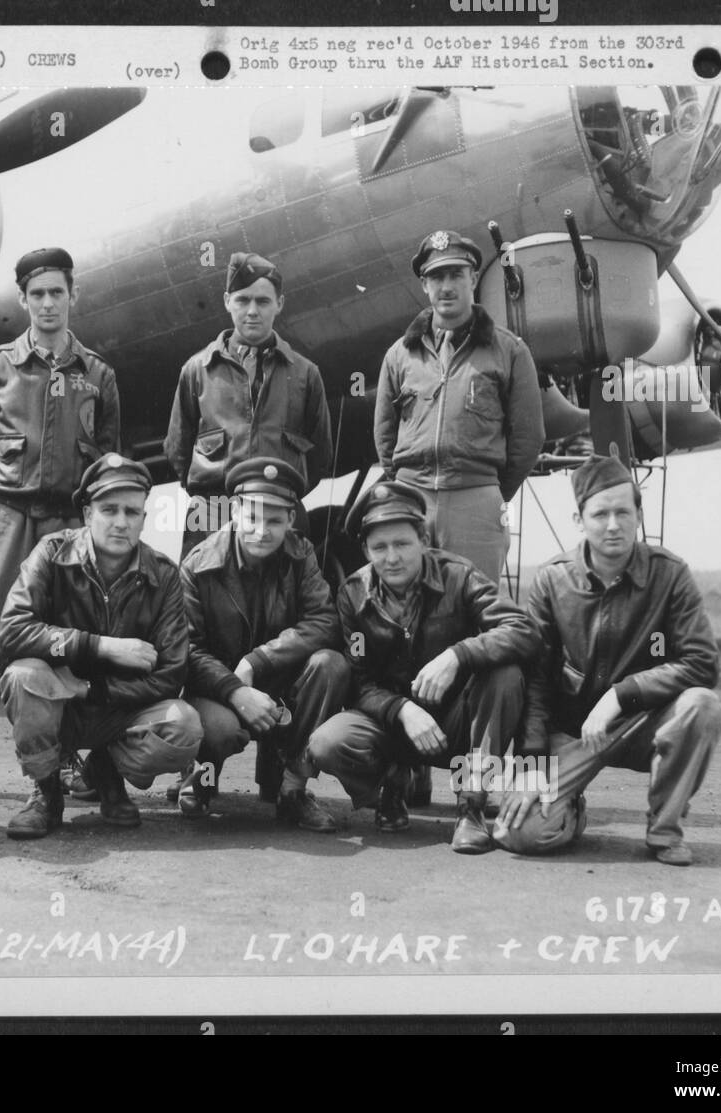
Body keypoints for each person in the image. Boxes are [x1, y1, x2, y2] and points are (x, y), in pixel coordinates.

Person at [0, 247, 120, 805]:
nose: (48, 303)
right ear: (23, 300)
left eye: (57, 293)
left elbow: (107, 460)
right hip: (7, 519)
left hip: (68, 525)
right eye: (38, 294)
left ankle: (62, 757)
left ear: (74, 296)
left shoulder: (98, 374)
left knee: (62, 639)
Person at [492, 456, 721, 866]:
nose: (613, 525)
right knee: (518, 833)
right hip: (572, 731)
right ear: (579, 520)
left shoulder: (670, 575)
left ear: (638, 516)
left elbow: (702, 662)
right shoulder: (552, 579)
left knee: (701, 705)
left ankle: (664, 829)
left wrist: (621, 694)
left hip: (641, 722)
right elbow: (537, 678)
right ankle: (570, 808)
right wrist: (530, 762)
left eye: (623, 512)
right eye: (600, 514)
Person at [305, 481, 540, 846]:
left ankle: (471, 805)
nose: (392, 557)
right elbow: (359, 680)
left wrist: (458, 654)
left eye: (402, 543)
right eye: (379, 547)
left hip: (455, 722)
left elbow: (522, 629)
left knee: (505, 674)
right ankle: (391, 782)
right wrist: (401, 710)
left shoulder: (459, 576)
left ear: (424, 540)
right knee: (328, 743)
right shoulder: (353, 595)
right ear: (365, 550)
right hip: (393, 724)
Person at [0, 454, 203, 839]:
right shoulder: (51, 554)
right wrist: (99, 647)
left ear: (144, 518)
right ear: (88, 514)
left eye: (132, 511)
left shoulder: (163, 575)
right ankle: (46, 790)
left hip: (120, 709)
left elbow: (172, 674)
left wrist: (93, 689)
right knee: (22, 675)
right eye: (109, 510)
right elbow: (11, 631)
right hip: (59, 704)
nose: (121, 522)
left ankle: (105, 769)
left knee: (184, 726)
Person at [178, 457, 350, 829]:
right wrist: (235, 690)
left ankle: (292, 788)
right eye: (253, 517)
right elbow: (187, 649)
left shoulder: (301, 555)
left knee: (330, 664)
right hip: (219, 691)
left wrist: (256, 662)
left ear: (290, 520)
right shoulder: (198, 565)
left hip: (279, 684)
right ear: (234, 512)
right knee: (220, 729)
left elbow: (325, 622)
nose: (262, 531)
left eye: (274, 521)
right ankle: (203, 774)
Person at [373, 229, 544, 583]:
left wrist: (489, 492)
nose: (446, 286)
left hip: (476, 501)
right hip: (411, 499)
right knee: (406, 602)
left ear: (474, 279)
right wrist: (405, 485)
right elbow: (384, 434)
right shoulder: (399, 355)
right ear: (424, 284)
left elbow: (529, 438)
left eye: (456, 275)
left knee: (476, 605)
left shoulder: (510, 351)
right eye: (436, 277)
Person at [164, 251, 333, 555]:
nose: (252, 311)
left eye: (263, 301)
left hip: (280, 511)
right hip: (213, 513)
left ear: (279, 304)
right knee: (202, 582)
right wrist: (211, 497)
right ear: (227, 301)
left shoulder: (306, 374)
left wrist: (279, 497)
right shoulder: (196, 370)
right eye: (242, 300)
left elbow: (320, 454)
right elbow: (178, 449)